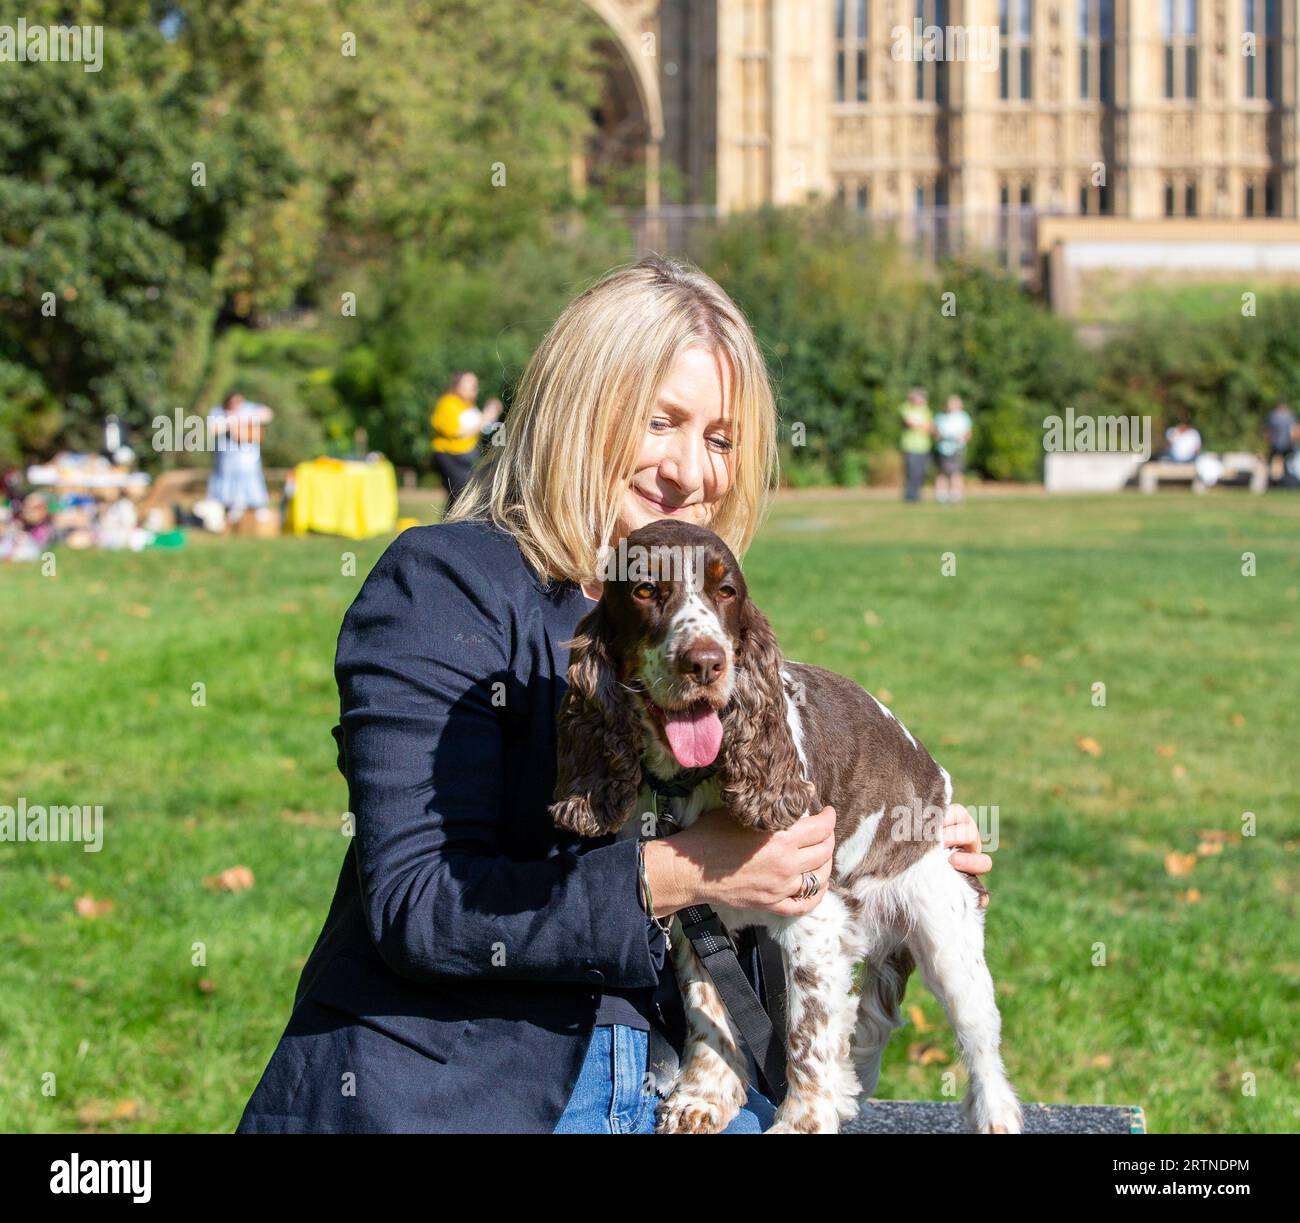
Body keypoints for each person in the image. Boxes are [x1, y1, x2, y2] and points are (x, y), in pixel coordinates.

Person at [236, 256, 993, 1135]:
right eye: (659, 420)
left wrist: (887, 842)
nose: (690, 469)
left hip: (695, 1083)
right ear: (580, 409)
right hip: (467, 1090)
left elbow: (771, 908)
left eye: (718, 438)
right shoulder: (442, 585)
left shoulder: (700, 626)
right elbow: (419, 905)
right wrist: (684, 867)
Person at [431, 370, 502, 510]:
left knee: (459, 496)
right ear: (457, 385)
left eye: (475, 384)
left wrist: (491, 412)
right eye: (469, 384)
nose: (473, 388)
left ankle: (450, 524)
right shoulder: (448, 403)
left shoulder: (469, 405)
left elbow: (482, 428)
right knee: (461, 493)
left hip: (465, 456)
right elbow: (457, 432)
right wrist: (485, 417)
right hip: (449, 455)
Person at [206, 391, 273, 523]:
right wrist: (231, 423)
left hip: (248, 458)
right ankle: (233, 508)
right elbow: (213, 428)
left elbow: (267, 414)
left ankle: (259, 507)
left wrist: (242, 421)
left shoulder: (248, 409)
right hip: (227, 458)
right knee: (229, 484)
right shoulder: (218, 411)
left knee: (252, 480)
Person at [933, 394, 972, 504]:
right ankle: (941, 495)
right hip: (943, 449)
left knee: (956, 472)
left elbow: (968, 434)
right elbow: (934, 433)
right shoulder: (940, 416)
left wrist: (959, 438)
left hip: (957, 448)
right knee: (942, 472)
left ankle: (956, 495)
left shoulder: (963, 417)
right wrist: (941, 436)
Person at [899, 386, 934, 502]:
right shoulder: (906, 407)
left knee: (921, 472)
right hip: (910, 446)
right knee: (911, 471)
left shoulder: (926, 410)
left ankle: (917, 494)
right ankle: (909, 495)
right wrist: (922, 426)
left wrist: (920, 425)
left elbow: (930, 427)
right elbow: (909, 423)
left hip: (924, 446)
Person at [1266, 401, 1296, 483]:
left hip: (1276, 444)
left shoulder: (1272, 416)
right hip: (1286, 444)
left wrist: (1269, 441)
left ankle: (1272, 480)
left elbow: (1268, 431)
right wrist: (1293, 442)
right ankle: (1286, 480)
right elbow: (1293, 431)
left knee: (1273, 462)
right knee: (1287, 463)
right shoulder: (1289, 416)